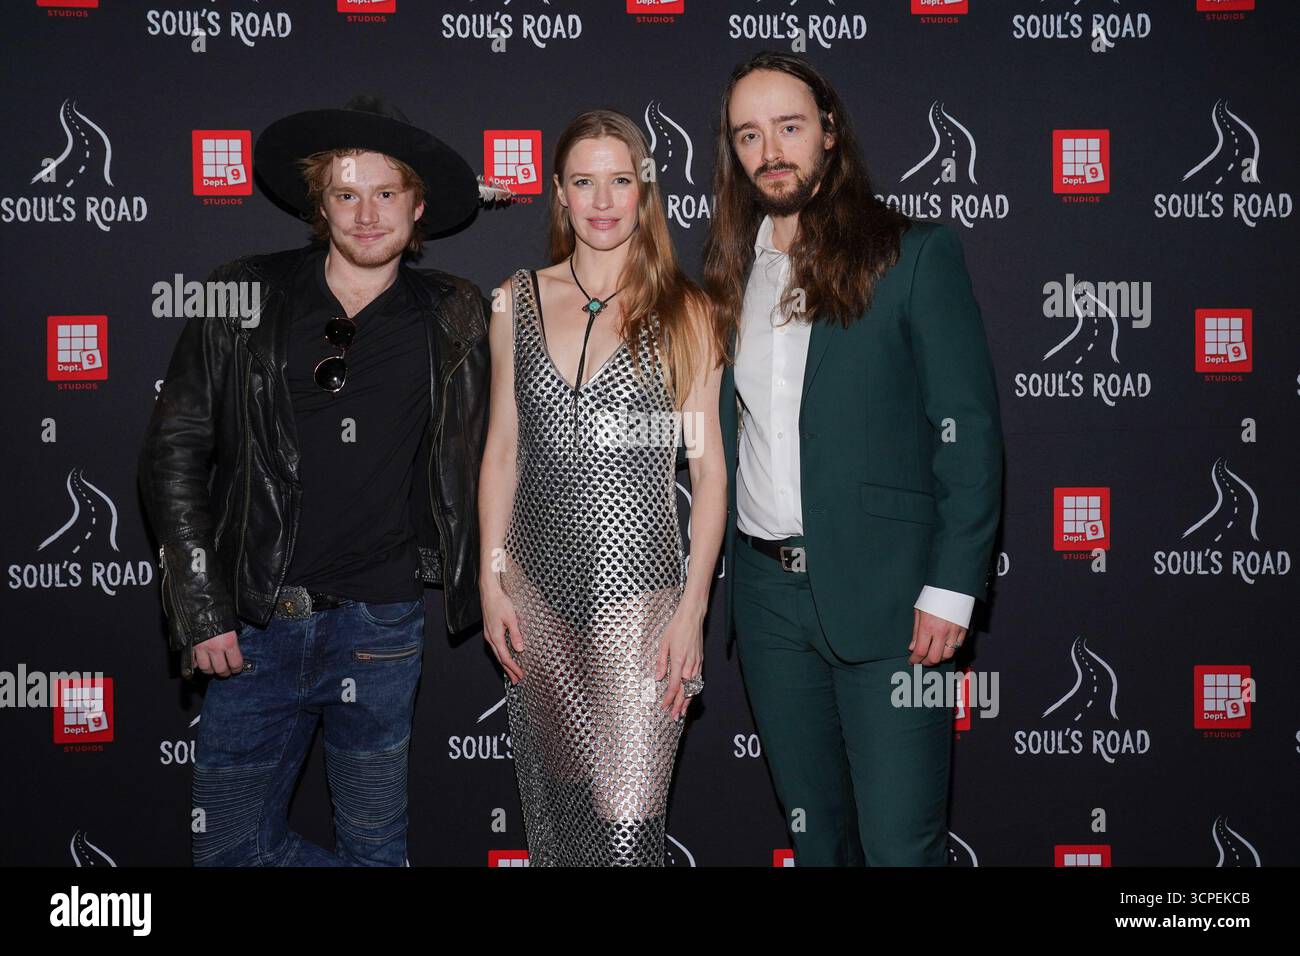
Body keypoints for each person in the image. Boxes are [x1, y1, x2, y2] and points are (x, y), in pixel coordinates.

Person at [137, 95, 491, 866]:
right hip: (255, 623)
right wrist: (201, 607)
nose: (367, 214)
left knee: (374, 850)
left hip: (381, 631)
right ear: (319, 206)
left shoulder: (455, 313)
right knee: (228, 851)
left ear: (417, 204)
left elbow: (499, 454)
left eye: (385, 193)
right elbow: (174, 450)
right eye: (345, 193)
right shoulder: (242, 291)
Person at [702, 52, 1004, 866]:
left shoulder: (912, 254)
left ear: (830, 134)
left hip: (894, 599)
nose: (771, 150)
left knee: (903, 847)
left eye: (790, 127)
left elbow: (967, 433)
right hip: (766, 603)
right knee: (815, 840)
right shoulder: (731, 273)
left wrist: (950, 589)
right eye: (749, 134)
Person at [477, 109, 727, 866]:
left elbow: (709, 469)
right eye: (583, 181)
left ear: (645, 190)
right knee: (558, 826)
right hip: (536, 592)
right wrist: (491, 583)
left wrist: (694, 609)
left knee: (626, 827)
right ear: (558, 192)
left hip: (637, 597)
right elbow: (501, 452)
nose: (602, 199)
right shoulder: (511, 300)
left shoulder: (689, 309)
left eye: (620, 179)